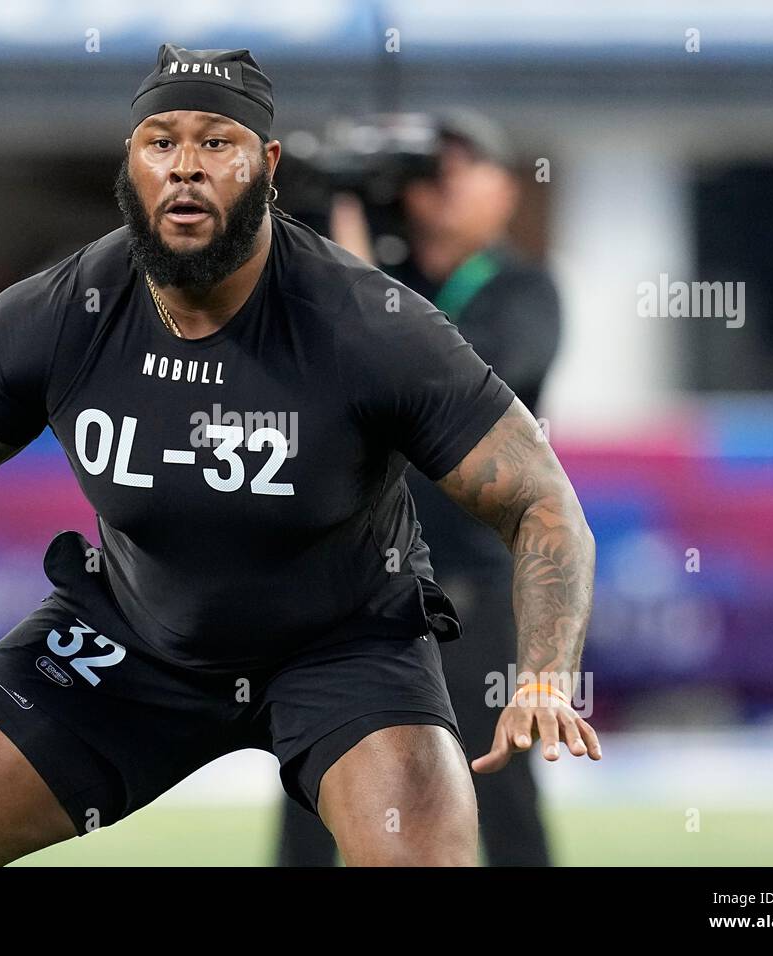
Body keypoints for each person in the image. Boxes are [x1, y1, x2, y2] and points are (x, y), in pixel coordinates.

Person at [0, 44, 599, 867]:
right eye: (161, 142)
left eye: (218, 143)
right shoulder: (66, 310)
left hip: (344, 649)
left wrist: (541, 675)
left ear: (267, 165)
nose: (186, 168)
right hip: (135, 639)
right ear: (131, 163)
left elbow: (541, 501)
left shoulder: (370, 323)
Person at [277, 110, 563, 866]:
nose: (435, 191)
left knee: (497, 784)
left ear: (505, 190)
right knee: (315, 783)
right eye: (423, 176)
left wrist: (363, 274)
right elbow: (306, 342)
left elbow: (455, 382)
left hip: (468, 588)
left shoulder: (523, 291)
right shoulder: (383, 273)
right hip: (355, 585)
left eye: (456, 172)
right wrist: (339, 212)